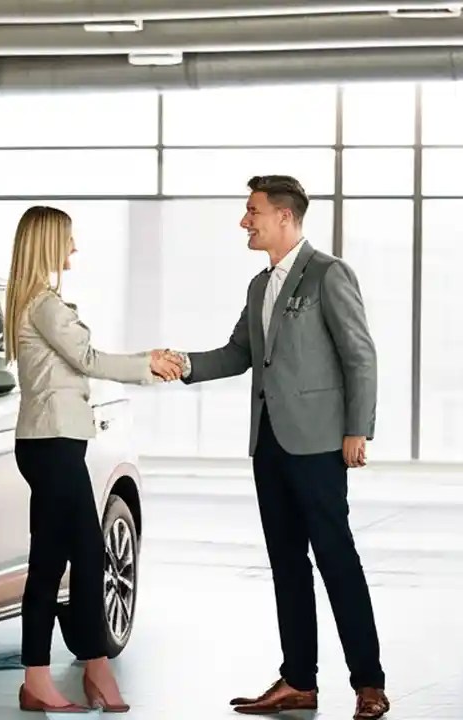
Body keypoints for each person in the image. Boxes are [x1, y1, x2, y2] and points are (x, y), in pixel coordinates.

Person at [165, 175, 388, 719]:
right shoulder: (259, 287)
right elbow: (237, 352)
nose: (245, 221)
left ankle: (369, 683)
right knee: (286, 562)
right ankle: (298, 680)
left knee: (337, 559)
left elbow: (360, 354)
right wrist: (182, 364)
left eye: (253, 211)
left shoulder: (328, 274)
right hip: (269, 443)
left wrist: (358, 429)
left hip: (317, 444)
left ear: (284, 216)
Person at [5, 205, 183, 713]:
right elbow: (88, 360)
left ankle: (56, 675)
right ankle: (88, 669)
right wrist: (148, 364)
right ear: (47, 243)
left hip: (51, 444)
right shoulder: (44, 305)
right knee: (81, 556)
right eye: (68, 239)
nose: (74, 248)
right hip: (53, 445)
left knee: (60, 560)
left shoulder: (36, 302)